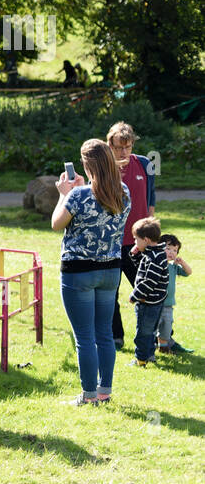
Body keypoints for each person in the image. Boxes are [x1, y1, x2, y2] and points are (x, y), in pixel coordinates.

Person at [52, 139, 131, 405]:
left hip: (79, 272)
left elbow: (56, 223)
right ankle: (104, 391)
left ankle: (88, 396)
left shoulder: (78, 196)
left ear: (86, 165)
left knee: (84, 337)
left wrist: (64, 193)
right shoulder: (124, 191)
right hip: (110, 270)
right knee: (104, 334)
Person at [106, 122, 156, 348]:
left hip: (141, 243)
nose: (123, 152)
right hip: (113, 242)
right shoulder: (104, 168)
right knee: (110, 294)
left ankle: (157, 337)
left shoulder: (145, 163)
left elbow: (151, 197)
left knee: (150, 291)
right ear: (110, 146)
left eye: (127, 147)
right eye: (118, 147)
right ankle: (116, 336)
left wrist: (152, 234)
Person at [128, 217, 169, 367]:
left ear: (145, 239)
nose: (134, 242)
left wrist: (135, 295)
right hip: (155, 301)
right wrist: (135, 255)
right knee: (150, 330)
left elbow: (149, 282)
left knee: (143, 332)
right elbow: (143, 269)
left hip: (148, 302)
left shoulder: (155, 257)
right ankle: (150, 355)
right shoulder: (154, 253)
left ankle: (141, 359)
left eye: (136, 239)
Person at [157, 234, 193, 355]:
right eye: (168, 248)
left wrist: (182, 263)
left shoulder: (173, 266)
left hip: (168, 304)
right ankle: (149, 348)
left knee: (166, 328)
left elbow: (189, 272)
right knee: (152, 327)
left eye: (175, 250)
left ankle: (163, 347)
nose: (171, 252)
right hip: (155, 303)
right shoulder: (156, 264)